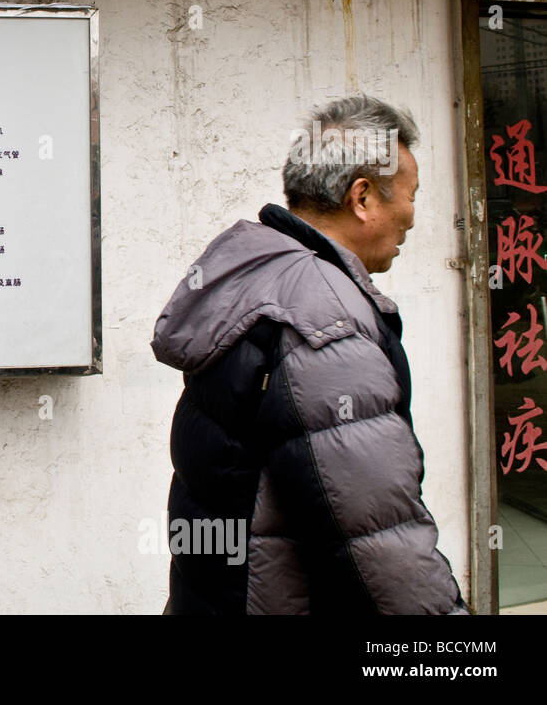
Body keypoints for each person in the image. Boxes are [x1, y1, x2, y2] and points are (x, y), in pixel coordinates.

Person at [150, 94, 468, 614]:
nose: (412, 217)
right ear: (362, 197)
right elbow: (379, 538)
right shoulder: (322, 314)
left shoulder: (255, 276)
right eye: (411, 196)